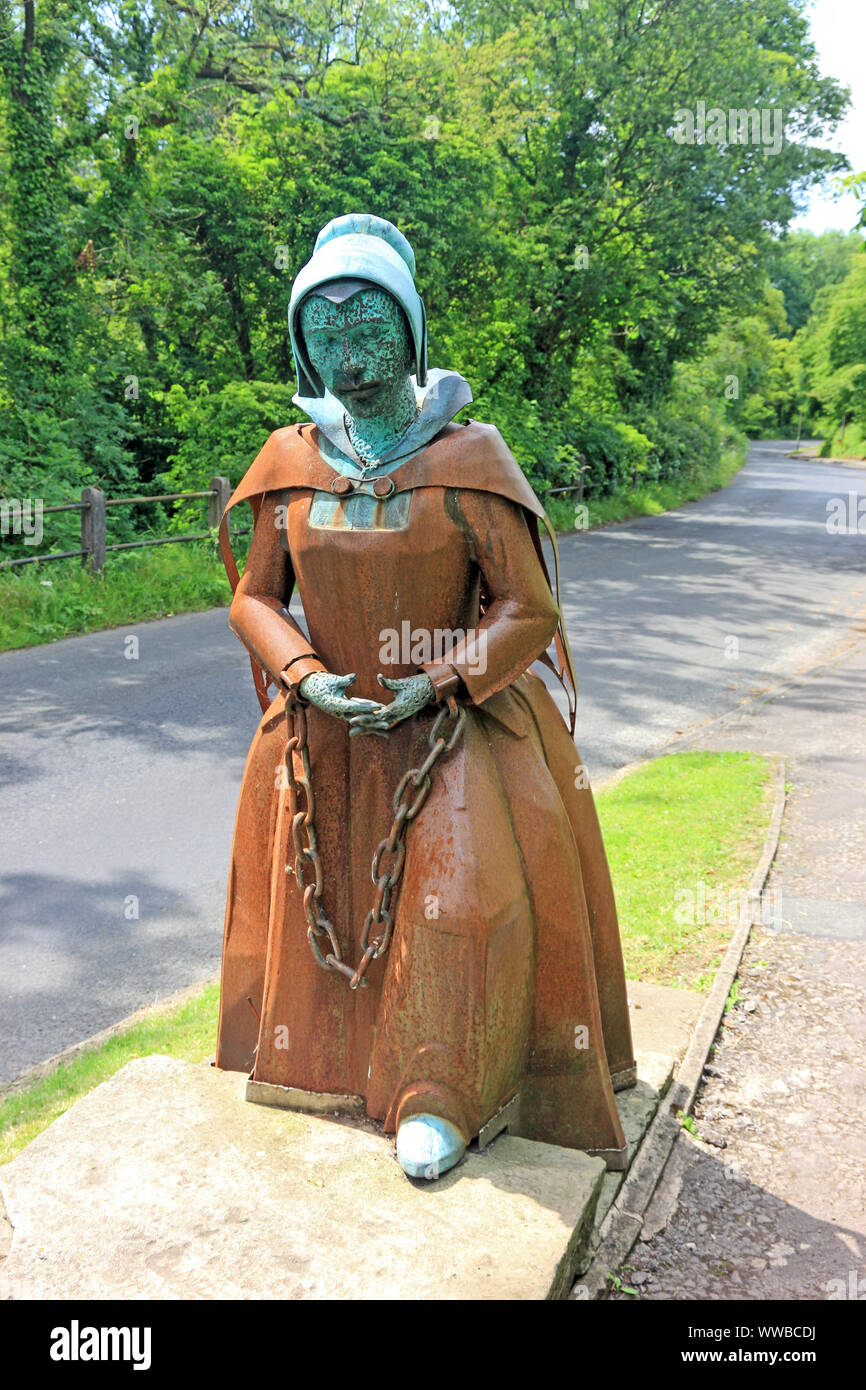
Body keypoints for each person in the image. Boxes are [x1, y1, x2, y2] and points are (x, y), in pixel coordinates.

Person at [215, 213, 635, 1180]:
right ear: (301, 345)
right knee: (322, 902)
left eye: (368, 328)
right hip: (326, 727)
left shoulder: (468, 461)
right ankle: (328, 1065)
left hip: (454, 722)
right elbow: (256, 598)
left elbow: (528, 607)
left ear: (409, 333)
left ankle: (437, 1091)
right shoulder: (291, 466)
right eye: (324, 335)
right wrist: (306, 674)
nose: (347, 353)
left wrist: (443, 678)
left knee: (456, 899)